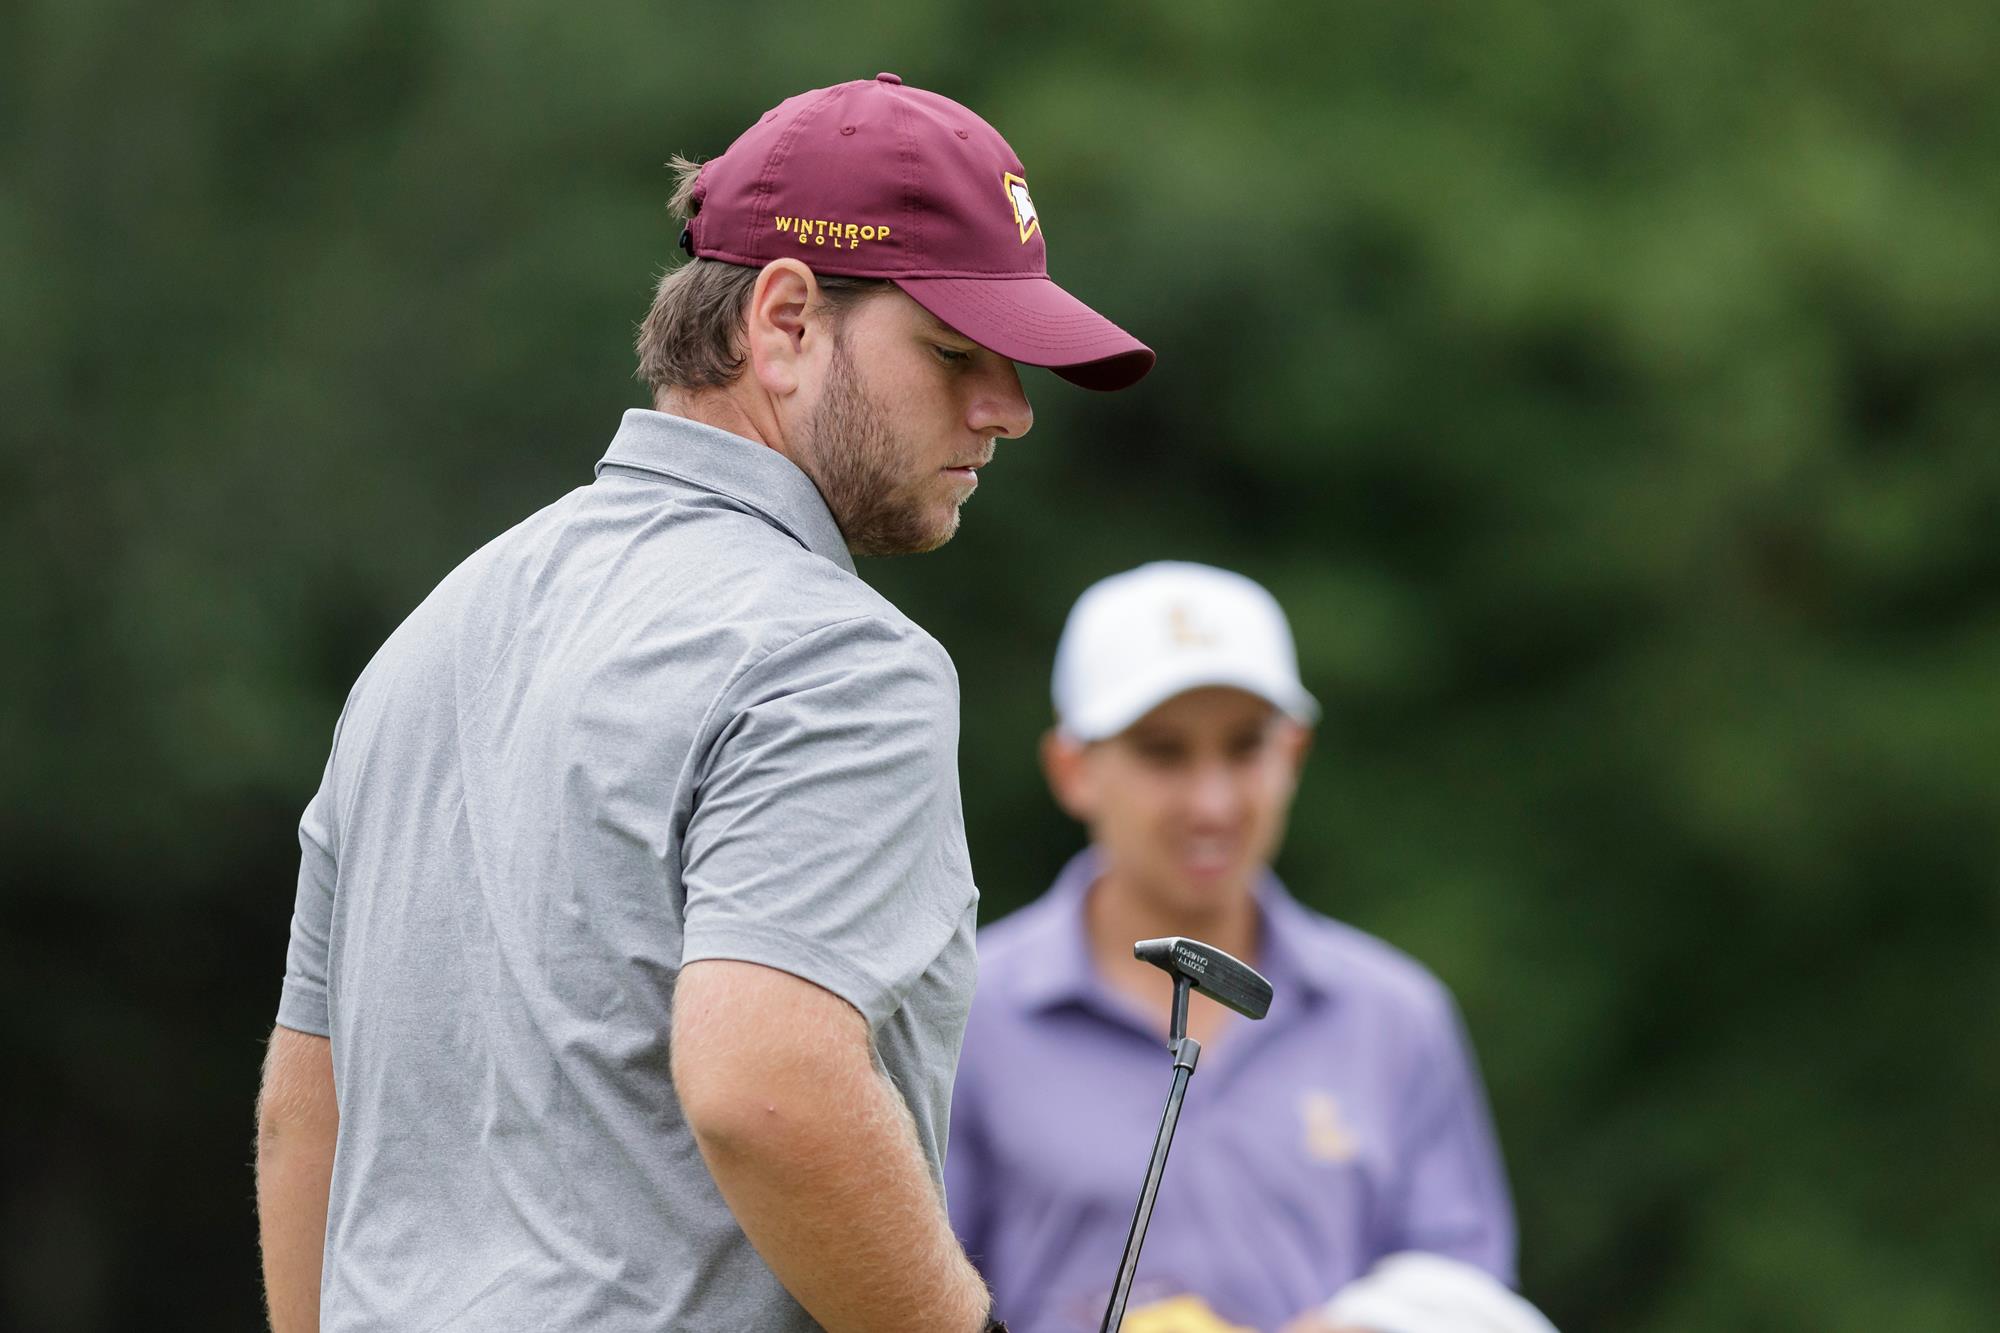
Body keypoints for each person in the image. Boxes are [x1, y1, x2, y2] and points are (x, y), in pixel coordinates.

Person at [253, 73, 1152, 1333]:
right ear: (783, 322)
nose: (1006, 409)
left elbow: (307, 1110)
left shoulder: (435, 631)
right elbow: (766, 1087)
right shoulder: (838, 659)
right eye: (955, 353)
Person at [946, 562, 1522, 1333]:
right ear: (1074, 770)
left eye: (1245, 747)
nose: (1212, 802)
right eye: (1163, 752)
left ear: (1294, 754)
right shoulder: (964, 1012)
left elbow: (1471, 1292)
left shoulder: (1396, 1015)